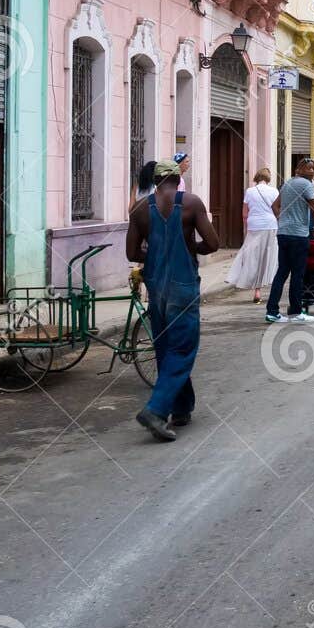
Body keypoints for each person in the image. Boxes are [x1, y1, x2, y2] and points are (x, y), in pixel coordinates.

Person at [126, 160, 219, 440]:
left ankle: (181, 408)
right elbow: (213, 243)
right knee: (182, 349)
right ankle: (155, 410)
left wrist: (155, 254)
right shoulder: (191, 203)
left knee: (167, 347)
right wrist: (192, 247)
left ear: (155, 180)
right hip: (183, 286)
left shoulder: (140, 210)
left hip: (157, 287)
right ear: (178, 179)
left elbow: (132, 253)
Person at [265, 158, 314, 324]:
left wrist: (281, 219)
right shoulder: (307, 185)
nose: (312, 171)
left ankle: (272, 312)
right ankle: (296, 312)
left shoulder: (287, 183)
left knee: (282, 272)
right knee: (298, 274)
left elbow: (274, 206)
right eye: (308, 168)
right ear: (299, 169)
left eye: (313, 169)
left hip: (283, 234)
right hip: (299, 236)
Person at [226, 168, 279, 302]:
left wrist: (246, 230)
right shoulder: (274, 191)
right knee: (267, 256)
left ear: (256, 177)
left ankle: (250, 285)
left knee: (251, 256)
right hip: (270, 225)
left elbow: (245, 214)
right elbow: (279, 210)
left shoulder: (250, 191)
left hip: (254, 225)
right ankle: (261, 287)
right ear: (268, 178)